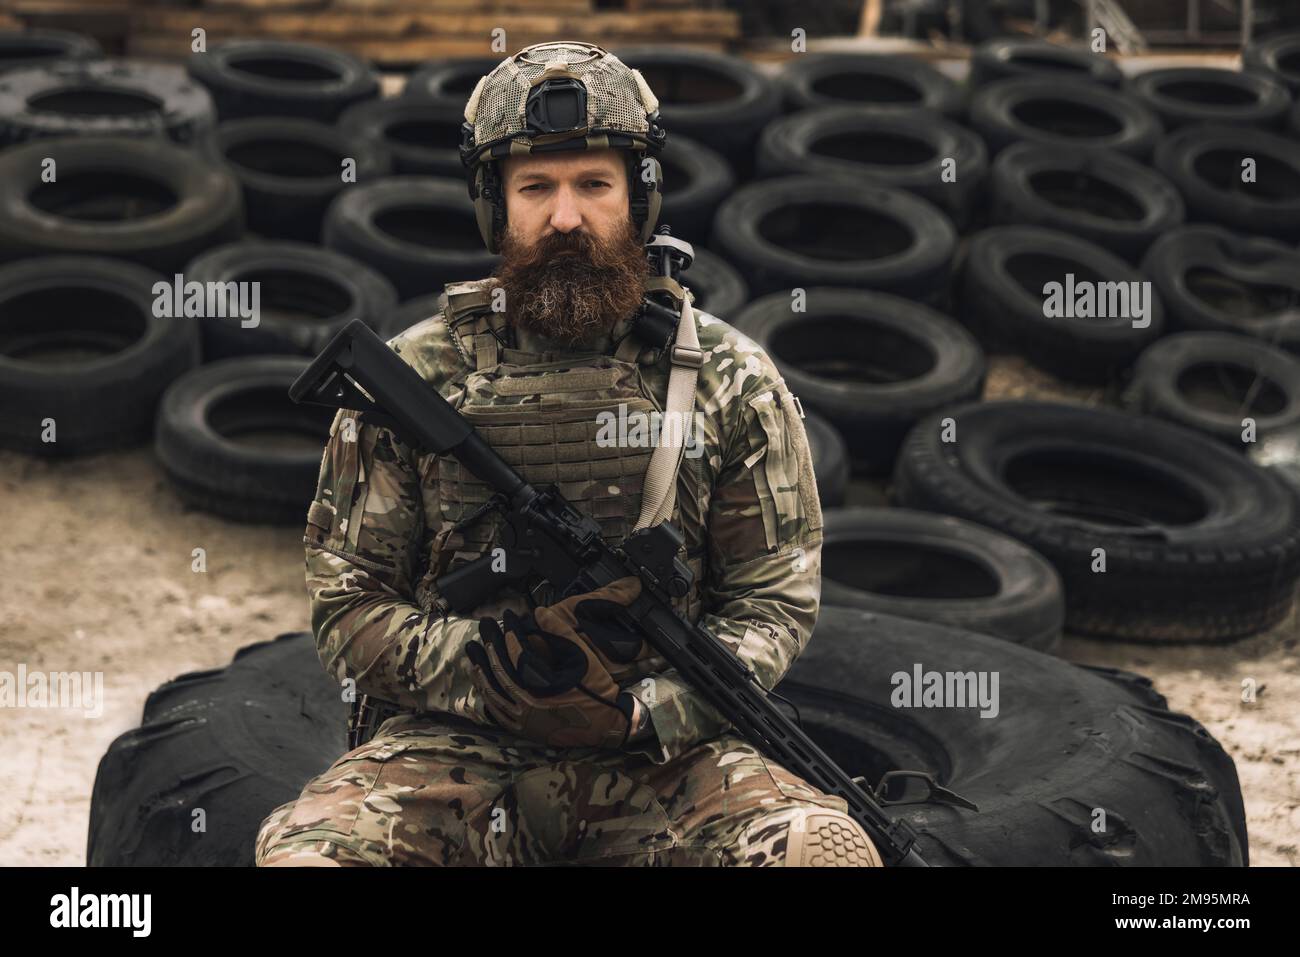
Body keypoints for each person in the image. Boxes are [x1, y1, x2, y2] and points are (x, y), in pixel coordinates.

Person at [255, 40, 882, 867]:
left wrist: (639, 711)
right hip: (451, 747)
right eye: (536, 188)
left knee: (818, 852)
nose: (565, 217)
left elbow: (772, 605)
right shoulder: (414, 378)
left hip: (665, 757)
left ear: (640, 198)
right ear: (494, 207)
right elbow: (349, 607)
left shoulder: (731, 377)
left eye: (594, 184)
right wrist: (494, 664)